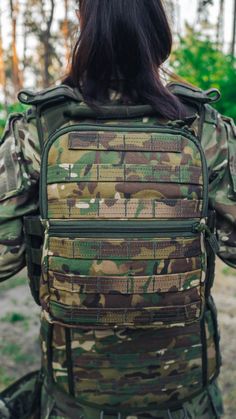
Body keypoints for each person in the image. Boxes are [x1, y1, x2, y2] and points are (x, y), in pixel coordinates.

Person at [0, 1, 236, 418]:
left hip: (75, 395)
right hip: (185, 397)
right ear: (158, 32)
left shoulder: (37, 130)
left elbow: (4, 256)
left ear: (84, 30)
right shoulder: (205, 128)